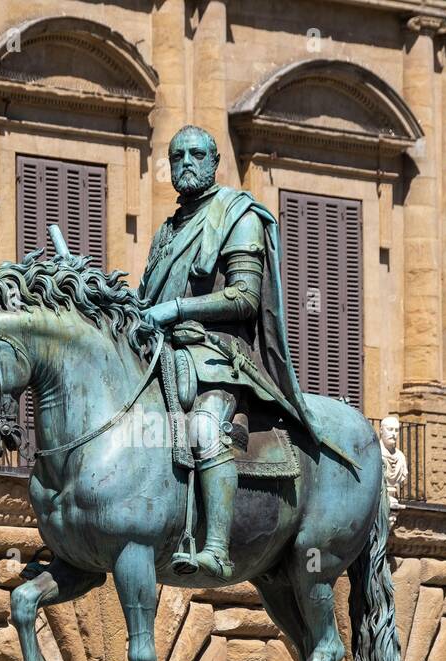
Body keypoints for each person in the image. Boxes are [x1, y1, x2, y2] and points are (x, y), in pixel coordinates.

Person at [136, 125, 325, 579]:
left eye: (196, 154)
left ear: (215, 160)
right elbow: (147, 298)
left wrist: (176, 309)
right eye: (177, 154)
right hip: (164, 350)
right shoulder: (167, 230)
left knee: (202, 429)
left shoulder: (238, 216)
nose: (185, 162)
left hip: (217, 354)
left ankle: (217, 547)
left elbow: (243, 296)